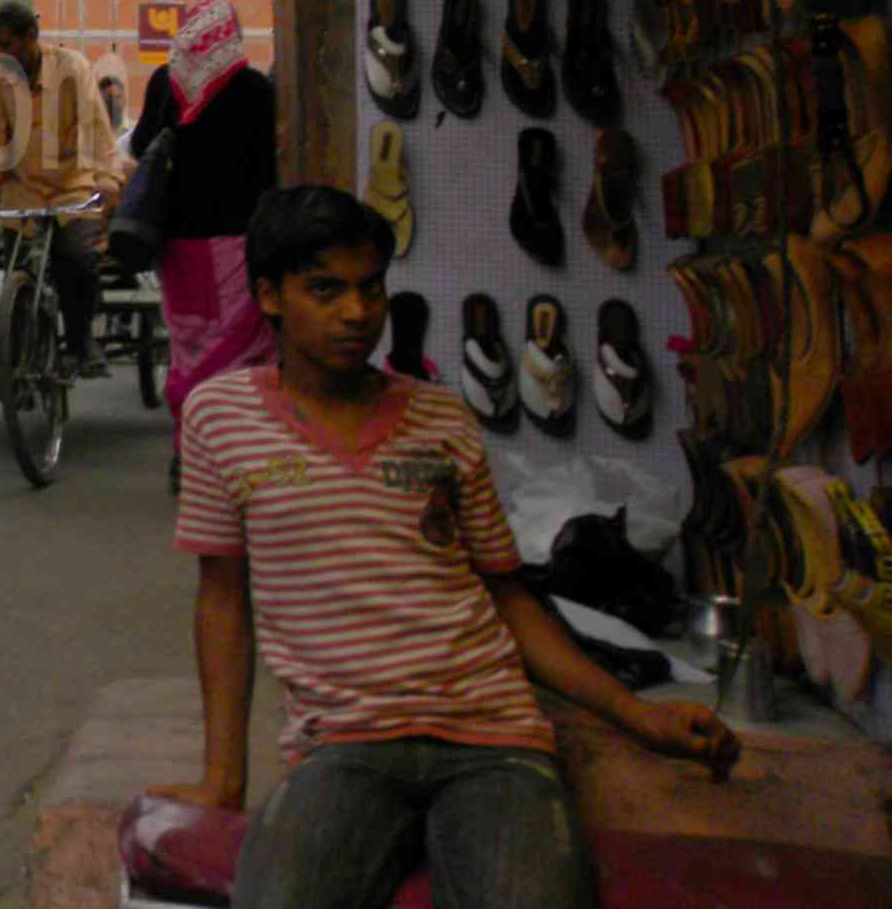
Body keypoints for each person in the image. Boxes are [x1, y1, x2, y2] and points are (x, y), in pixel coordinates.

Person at [155, 185, 738, 909]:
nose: (356, 313)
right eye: (326, 290)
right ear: (270, 296)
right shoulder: (222, 417)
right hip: (345, 744)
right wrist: (223, 778)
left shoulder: (442, 418)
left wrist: (637, 713)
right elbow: (222, 601)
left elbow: (508, 597)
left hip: (493, 738)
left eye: (372, 289)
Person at [130, 0, 279, 433]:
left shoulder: (164, 82)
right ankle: (239, 445)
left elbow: (141, 147)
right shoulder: (253, 88)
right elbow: (272, 164)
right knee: (241, 349)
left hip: (176, 245)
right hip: (238, 243)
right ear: (230, 34)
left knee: (189, 343)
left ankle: (192, 444)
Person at [0, 0, 122, 376]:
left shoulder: (72, 68)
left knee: (76, 260)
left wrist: (106, 177)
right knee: (16, 270)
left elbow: (96, 128)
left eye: (9, 45)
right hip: (21, 189)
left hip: (73, 185)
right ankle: (19, 357)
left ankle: (82, 340)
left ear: (32, 37)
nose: (2, 56)